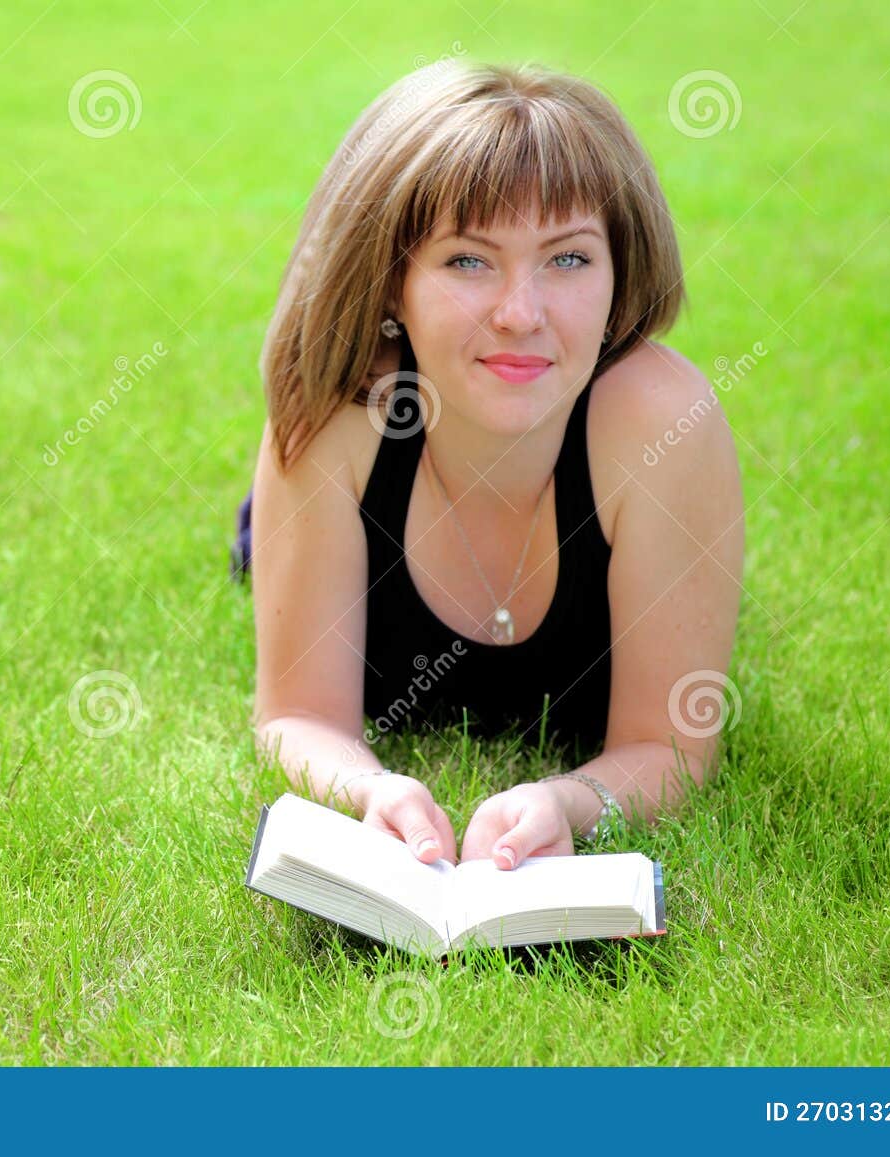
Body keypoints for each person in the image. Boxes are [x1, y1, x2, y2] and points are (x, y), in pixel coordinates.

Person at [236, 60, 744, 870]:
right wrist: (368, 790)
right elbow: (296, 717)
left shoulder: (665, 426)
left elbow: (671, 746)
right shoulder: (338, 411)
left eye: (568, 259)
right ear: (392, 283)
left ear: (619, 271)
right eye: (468, 260)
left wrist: (571, 800)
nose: (520, 313)